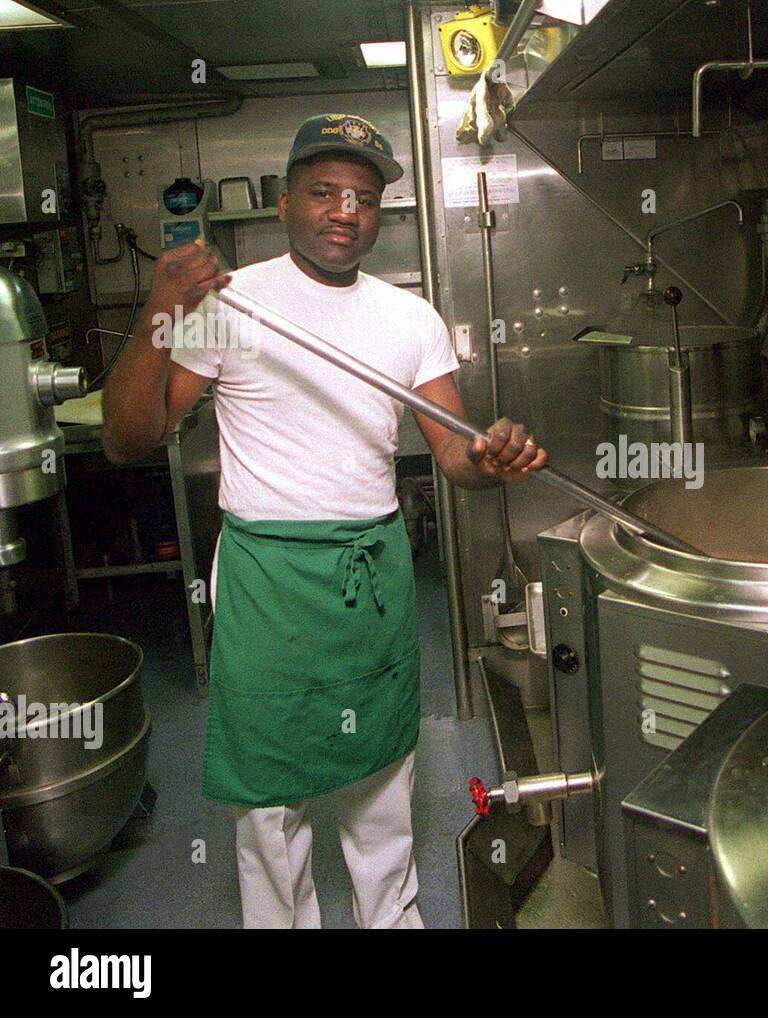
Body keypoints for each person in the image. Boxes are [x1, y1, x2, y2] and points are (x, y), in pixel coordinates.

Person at [102, 113, 547, 928]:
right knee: (267, 801)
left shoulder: (409, 318)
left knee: (380, 777)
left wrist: (491, 458)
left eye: (365, 199)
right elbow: (130, 437)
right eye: (324, 192)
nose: (346, 211)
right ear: (283, 202)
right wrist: (156, 312)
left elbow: (454, 457)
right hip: (267, 578)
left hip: (367, 577)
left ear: (382, 214)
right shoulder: (231, 305)